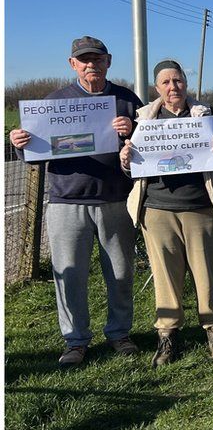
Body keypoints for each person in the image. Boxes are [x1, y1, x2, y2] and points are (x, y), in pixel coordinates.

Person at [9, 36, 143, 367]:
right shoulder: (54, 102)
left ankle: (120, 333)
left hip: (115, 199)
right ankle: (76, 340)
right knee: (69, 275)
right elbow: (35, 155)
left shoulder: (127, 99)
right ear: (73, 64)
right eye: (83, 60)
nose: (90, 64)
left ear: (108, 61)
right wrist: (19, 143)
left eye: (97, 58)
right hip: (67, 201)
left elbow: (148, 144)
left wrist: (133, 129)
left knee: (122, 273)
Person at [120, 59, 213, 366]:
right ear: (157, 88)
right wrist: (126, 158)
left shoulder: (206, 114)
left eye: (178, 80)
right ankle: (167, 335)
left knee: (206, 274)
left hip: (200, 207)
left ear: (186, 83)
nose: (173, 87)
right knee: (165, 277)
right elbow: (129, 164)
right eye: (166, 82)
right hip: (157, 209)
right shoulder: (142, 117)